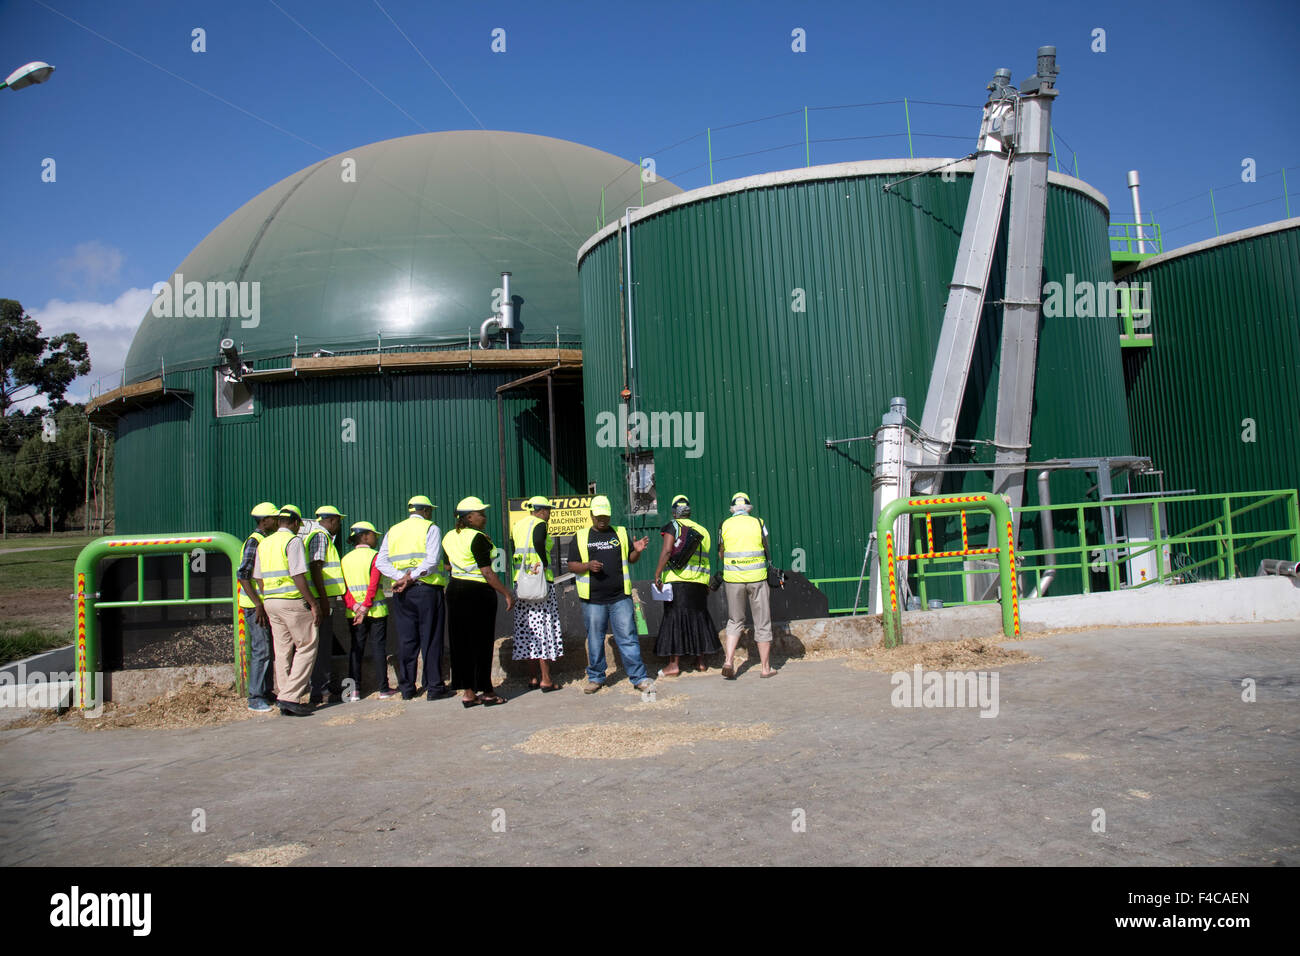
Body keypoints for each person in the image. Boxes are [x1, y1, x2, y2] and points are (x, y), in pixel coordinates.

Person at [567, 495, 656, 694]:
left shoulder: (620, 533)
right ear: (591, 515)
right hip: (593, 600)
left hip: (620, 597)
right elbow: (572, 565)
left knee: (628, 637)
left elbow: (630, 559)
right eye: (598, 516)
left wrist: (638, 551)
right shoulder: (581, 536)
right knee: (595, 639)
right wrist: (588, 566)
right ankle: (596, 677)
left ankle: (639, 677)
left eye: (605, 516)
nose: (602, 519)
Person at [375, 495, 453, 701]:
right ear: (426, 511)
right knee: (431, 639)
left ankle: (407, 688)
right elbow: (432, 560)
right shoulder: (431, 528)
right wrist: (411, 577)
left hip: (402, 593)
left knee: (407, 640)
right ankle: (434, 687)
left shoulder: (394, 530)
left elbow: (380, 562)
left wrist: (401, 577)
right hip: (426, 591)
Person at [443, 496, 514, 707]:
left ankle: (468, 692)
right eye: (480, 514)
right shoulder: (479, 538)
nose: (484, 517)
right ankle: (488, 692)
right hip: (477, 593)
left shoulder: (449, 536)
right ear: (469, 518)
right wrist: (506, 593)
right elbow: (487, 572)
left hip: (455, 590)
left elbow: (447, 566)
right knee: (481, 643)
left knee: (461, 643)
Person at [253, 505, 321, 716]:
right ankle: (290, 696)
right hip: (291, 601)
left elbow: (258, 577)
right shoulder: (293, 541)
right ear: (294, 523)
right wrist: (313, 602)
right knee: (307, 645)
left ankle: (284, 695)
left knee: (282, 650)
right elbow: (298, 574)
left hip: (271, 602)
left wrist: (269, 597)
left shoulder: (264, 544)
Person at [652, 494, 721, 674]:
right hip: (699, 583)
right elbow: (706, 560)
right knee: (698, 620)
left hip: (677, 582)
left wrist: (658, 573)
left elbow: (667, 551)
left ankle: (673, 665)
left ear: (675, 512)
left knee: (674, 620)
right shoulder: (704, 531)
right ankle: (700, 663)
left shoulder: (673, 526)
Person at [718, 491, 777, 679]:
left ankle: (728, 660)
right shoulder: (758, 523)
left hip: (733, 579)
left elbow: (722, 552)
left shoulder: (724, 525)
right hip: (757, 578)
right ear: (749, 508)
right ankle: (765, 668)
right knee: (762, 621)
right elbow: (766, 547)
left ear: (732, 508)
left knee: (735, 620)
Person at [510, 495, 563, 691]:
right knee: (543, 629)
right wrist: (544, 563)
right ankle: (546, 679)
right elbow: (539, 542)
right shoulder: (540, 523)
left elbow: (514, 548)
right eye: (548, 510)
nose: (549, 514)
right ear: (541, 510)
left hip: (521, 583)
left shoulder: (518, 525)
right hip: (540, 584)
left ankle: (532, 677)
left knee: (526, 630)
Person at [341, 520, 398, 701]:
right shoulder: (376, 557)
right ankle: (383, 689)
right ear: (365, 535)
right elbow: (374, 584)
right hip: (376, 611)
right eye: (374, 535)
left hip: (354, 613)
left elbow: (343, 589)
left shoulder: (345, 559)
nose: (376, 538)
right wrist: (366, 606)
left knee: (355, 650)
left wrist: (355, 606)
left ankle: (353, 691)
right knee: (378, 649)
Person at [238, 501, 280, 712]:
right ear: (265, 521)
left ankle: (265, 692)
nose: (277, 521)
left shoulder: (264, 540)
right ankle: (255, 697)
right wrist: (258, 604)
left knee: (267, 650)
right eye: (274, 518)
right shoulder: (254, 542)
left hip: (262, 604)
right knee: (261, 650)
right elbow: (243, 574)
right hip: (255, 607)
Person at [304, 505, 348, 705]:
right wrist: (322, 599)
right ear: (330, 520)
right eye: (338, 521)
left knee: (323, 644)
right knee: (321, 646)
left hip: (323, 599)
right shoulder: (321, 537)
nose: (339, 526)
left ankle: (324, 687)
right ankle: (320, 690)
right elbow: (316, 567)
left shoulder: (319, 537)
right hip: (322, 600)